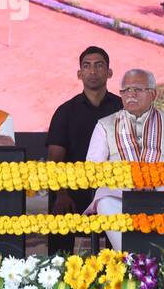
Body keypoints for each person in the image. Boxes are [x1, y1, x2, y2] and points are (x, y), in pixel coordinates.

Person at [86, 68, 164, 251]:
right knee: (104, 201)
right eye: (126, 90)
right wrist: (129, 181)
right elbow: (93, 167)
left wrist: (156, 179)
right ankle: (132, 259)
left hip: (162, 190)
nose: (131, 95)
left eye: (137, 89)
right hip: (120, 192)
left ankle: (161, 257)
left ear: (153, 94)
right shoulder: (105, 125)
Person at [45, 46, 121, 256]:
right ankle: (59, 275)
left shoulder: (122, 108)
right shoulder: (65, 111)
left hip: (113, 188)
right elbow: (54, 159)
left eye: (99, 65)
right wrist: (61, 193)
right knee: (60, 213)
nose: (93, 71)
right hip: (72, 191)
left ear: (109, 72)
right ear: (80, 74)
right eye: (86, 66)